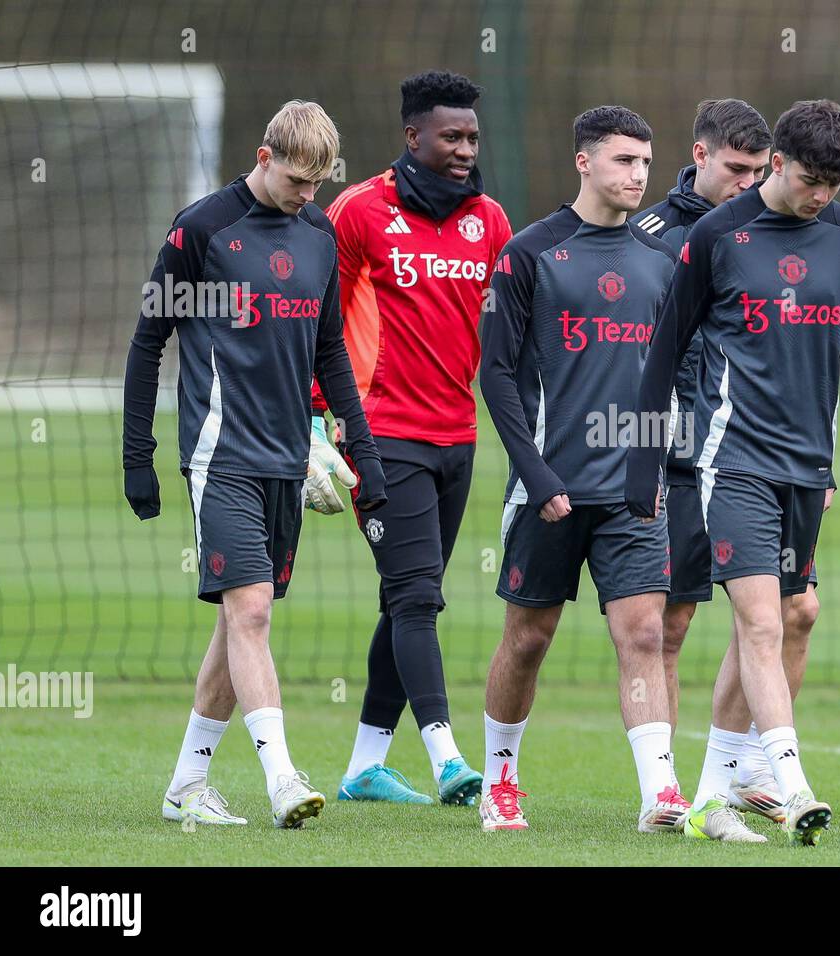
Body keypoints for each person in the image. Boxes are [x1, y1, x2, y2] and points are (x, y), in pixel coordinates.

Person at [626, 100, 840, 845]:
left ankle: (707, 797)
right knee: (758, 620)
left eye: (836, 182)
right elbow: (663, 350)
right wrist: (642, 460)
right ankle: (790, 784)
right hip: (732, 463)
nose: (823, 195)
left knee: (797, 615)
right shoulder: (717, 236)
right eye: (813, 179)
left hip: (807, 467)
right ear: (779, 162)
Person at [123, 100, 387, 828]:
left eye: (322, 183)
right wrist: (136, 455)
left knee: (235, 626)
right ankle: (281, 778)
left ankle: (186, 785)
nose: (310, 195)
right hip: (220, 455)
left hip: (287, 462)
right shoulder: (201, 229)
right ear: (265, 157)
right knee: (252, 610)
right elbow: (149, 341)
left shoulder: (319, 232)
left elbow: (331, 349)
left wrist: (358, 446)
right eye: (300, 180)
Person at [477, 106, 688, 833]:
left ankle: (660, 793)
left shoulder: (664, 263)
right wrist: (534, 475)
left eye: (644, 163)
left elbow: (669, 379)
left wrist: (653, 466)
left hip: (632, 492)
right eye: (623, 161)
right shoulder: (531, 252)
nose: (637, 176)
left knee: (644, 634)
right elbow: (496, 374)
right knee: (528, 639)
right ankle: (498, 781)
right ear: (584, 162)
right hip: (549, 491)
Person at [307, 70, 512, 807]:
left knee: (404, 602)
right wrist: (315, 417)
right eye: (451, 136)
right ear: (412, 137)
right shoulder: (358, 210)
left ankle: (365, 766)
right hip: (380, 437)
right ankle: (449, 758)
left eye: (473, 138)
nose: (465, 149)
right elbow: (318, 321)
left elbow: (508, 329)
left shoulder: (488, 218)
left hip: (458, 439)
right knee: (418, 597)